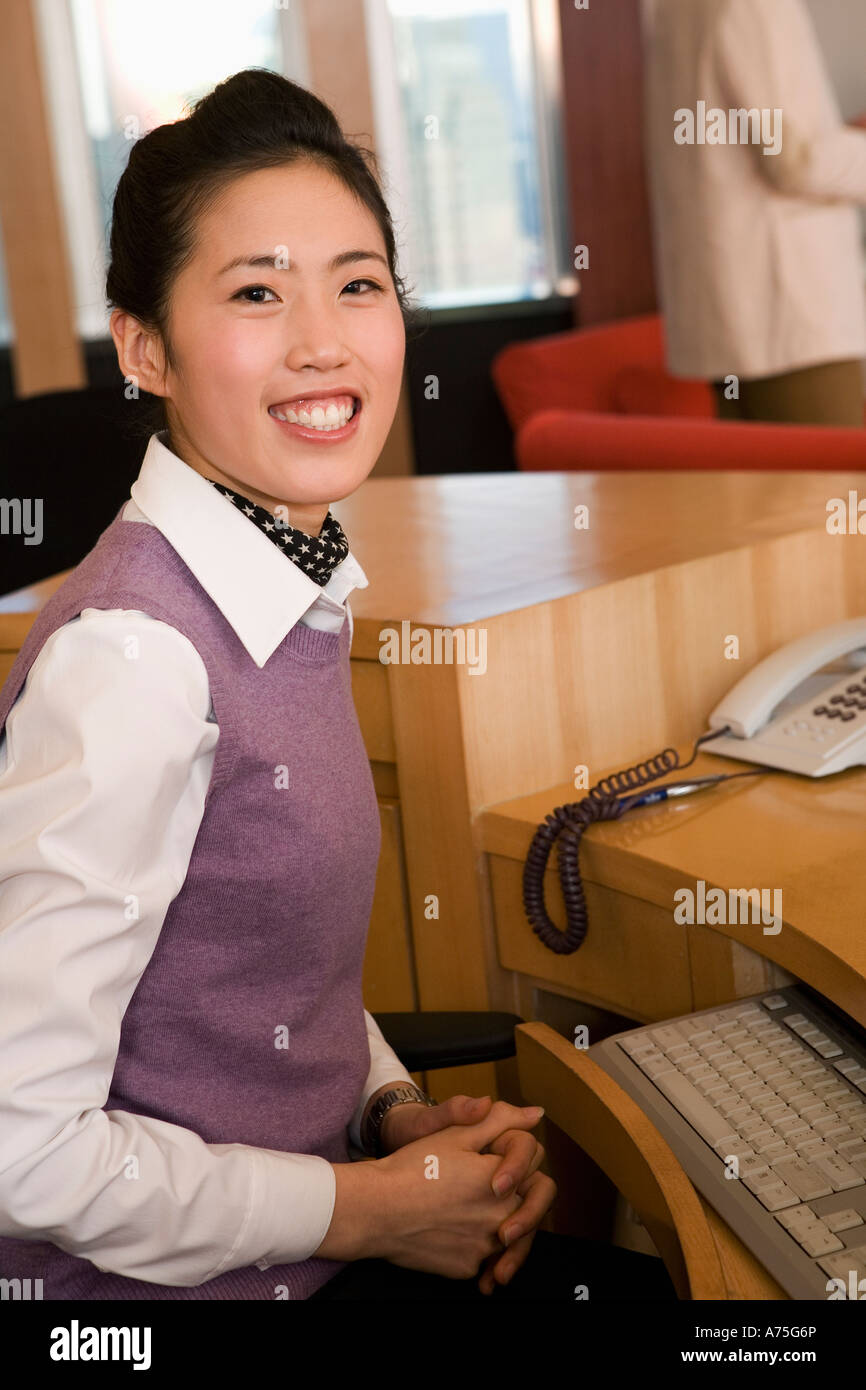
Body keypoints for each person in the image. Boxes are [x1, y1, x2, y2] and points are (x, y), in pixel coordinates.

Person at [0, 69, 675, 1302]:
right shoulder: (136, 659)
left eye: (358, 284)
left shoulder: (289, 582)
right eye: (256, 291)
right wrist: (362, 1214)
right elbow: (22, 1152)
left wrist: (383, 1113)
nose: (324, 341)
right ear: (143, 348)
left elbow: (246, 972)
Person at [642, 0, 866, 426]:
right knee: (831, 490)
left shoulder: (673, 9)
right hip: (792, 320)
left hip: (732, 322)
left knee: (761, 492)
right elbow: (793, 160)